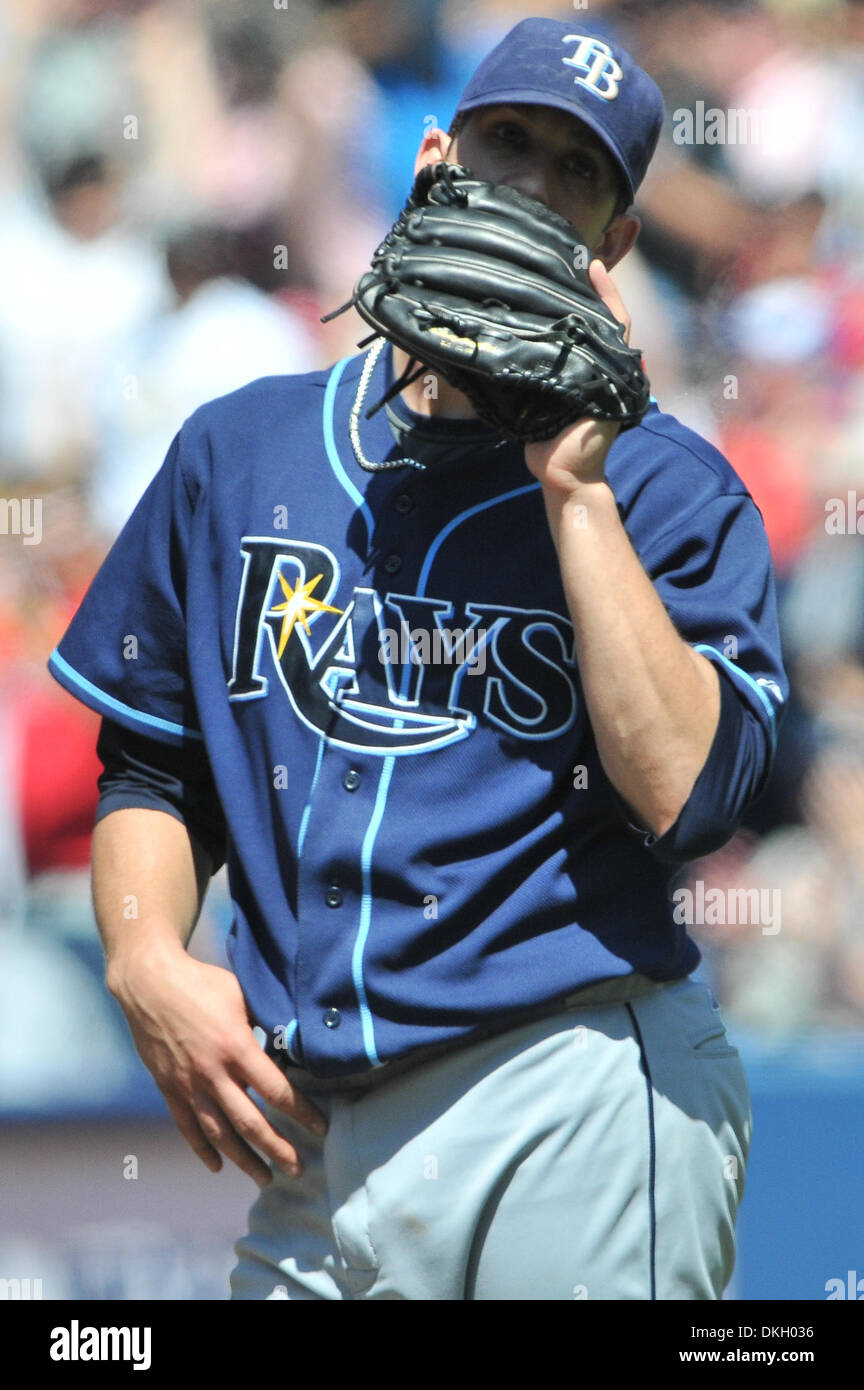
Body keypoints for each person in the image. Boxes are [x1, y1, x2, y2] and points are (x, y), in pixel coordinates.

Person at [48, 18, 787, 1300]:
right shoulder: (243, 452)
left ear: (614, 241)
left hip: (571, 1094)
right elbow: (150, 769)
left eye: (578, 173)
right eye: (510, 145)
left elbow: (691, 795)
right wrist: (145, 956)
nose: (534, 189)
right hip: (316, 1140)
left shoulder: (669, 491)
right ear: (434, 159)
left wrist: (576, 492)